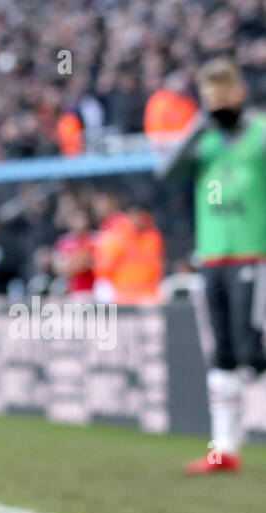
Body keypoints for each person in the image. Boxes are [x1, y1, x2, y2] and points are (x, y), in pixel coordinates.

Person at [156, 57, 266, 473]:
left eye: (223, 96)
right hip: (212, 258)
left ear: (240, 92)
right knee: (222, 353)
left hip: (254, 256)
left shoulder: (260, 134)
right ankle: (224, 450)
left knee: (251, 351)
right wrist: (195, 126)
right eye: (209, 100)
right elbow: (164, 172)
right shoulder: (203, 141)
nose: (218, 105)